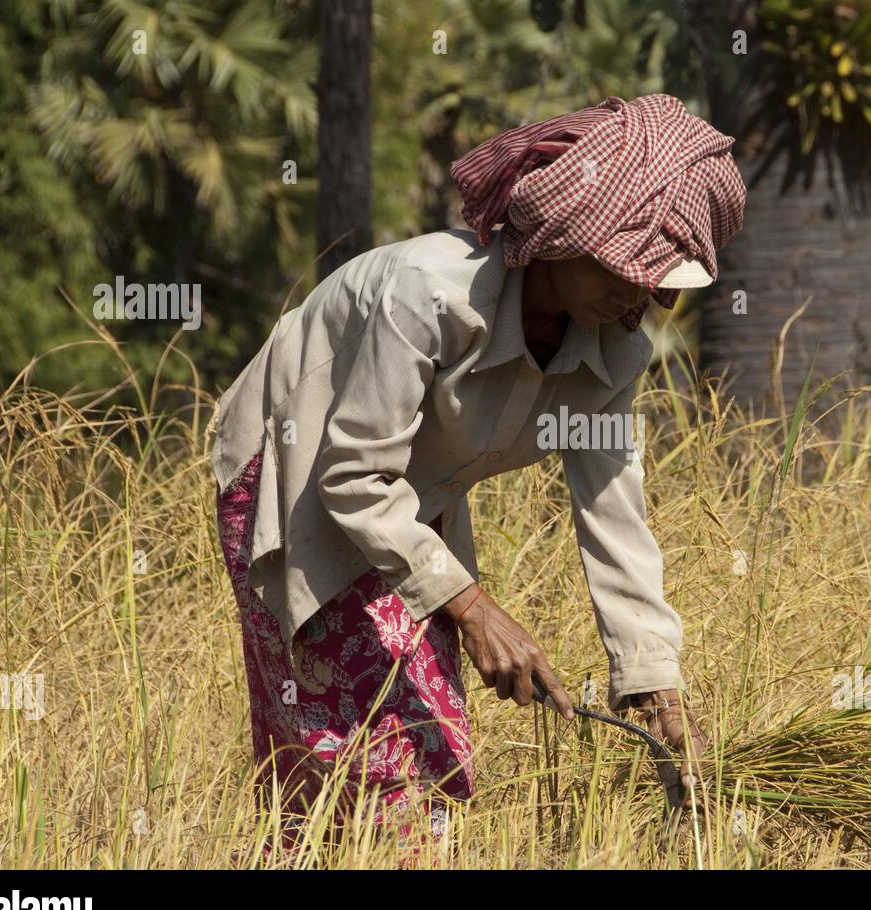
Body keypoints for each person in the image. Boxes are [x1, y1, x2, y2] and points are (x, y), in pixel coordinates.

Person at [211, 93, 747, 841]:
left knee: (426, 748)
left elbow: (615, 515)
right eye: (623, 270)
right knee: (367, 758)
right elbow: (353, 476)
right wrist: (475, 609)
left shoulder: (610, 352)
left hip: (409, 511)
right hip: (294, 480)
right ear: (565, 237)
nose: (637, 296)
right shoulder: (426, 295)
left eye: (655, 283)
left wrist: (651, 675)